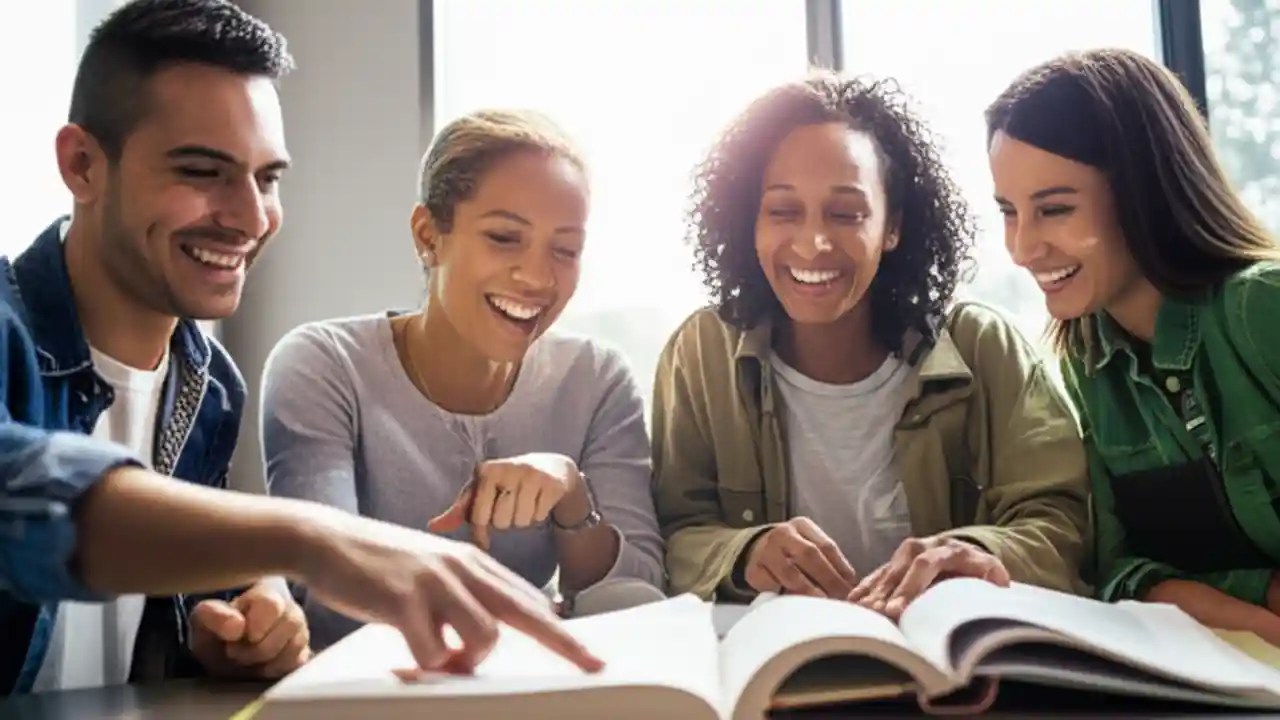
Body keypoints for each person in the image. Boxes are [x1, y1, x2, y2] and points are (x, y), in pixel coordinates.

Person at [0, 0, 600, 695]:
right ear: (82, 165)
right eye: (202, 171)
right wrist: (319, 540)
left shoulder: (207, 385)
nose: (251, 218)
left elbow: (145, 625)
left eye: (267, 177)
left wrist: (238, 624)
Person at [653, 71, 1089, 618]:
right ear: (750, 221)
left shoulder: (983, 348)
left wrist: (973, 553)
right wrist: (744, 554)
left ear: (893, 227)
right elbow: (672, 533)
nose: (813, 243)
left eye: (846, 214)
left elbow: (1064, 524)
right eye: (783, 211)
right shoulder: (701, 354)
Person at [260, 109, 665, 649]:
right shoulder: (322, 366)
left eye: (564, 250)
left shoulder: (598, 380)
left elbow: (638, 598)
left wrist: (571, 494)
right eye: (504, 238)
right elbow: (328, 598)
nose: (539, 278)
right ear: (429, 236)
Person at [987, 48, 1280, 642]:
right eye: (1009, 212)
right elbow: (1122, 573)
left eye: (1055, 209)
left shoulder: (1261, 307)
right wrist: (1263, 605)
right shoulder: (1088, 367)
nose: (1021, 248)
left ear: (1144, 190)